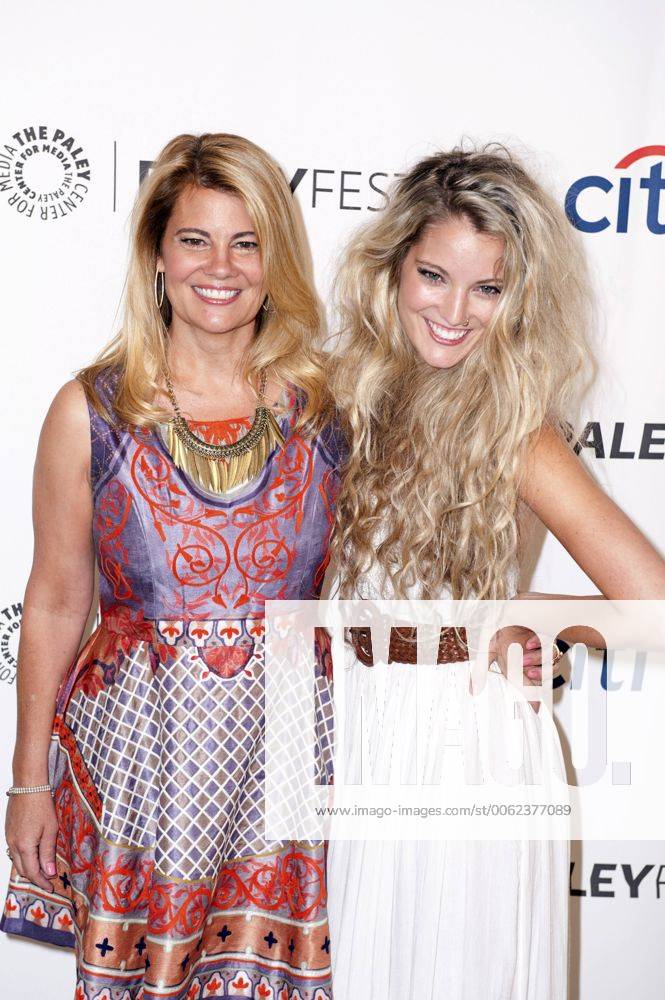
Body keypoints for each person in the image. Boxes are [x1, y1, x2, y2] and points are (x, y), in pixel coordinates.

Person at [1, 133, 344, 1000]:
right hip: (139, 763)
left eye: (246, 240)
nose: (219, 266)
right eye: (195, 239)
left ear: (277, 259)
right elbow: (52, 601)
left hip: (294, 768)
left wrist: (508, 636)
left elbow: (393, 580)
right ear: (157, 253)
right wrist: (28, 780)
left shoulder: (333, 412)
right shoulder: (91, 410)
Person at [326, 146, 665, 999]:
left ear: (518, 298)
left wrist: (523, 616)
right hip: (358, 736)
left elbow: (653, 607)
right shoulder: (342, 395)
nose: (454, 311)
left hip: (464, 749)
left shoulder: (518, 430)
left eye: (488, 288)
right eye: (433, 275)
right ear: (392, 266)